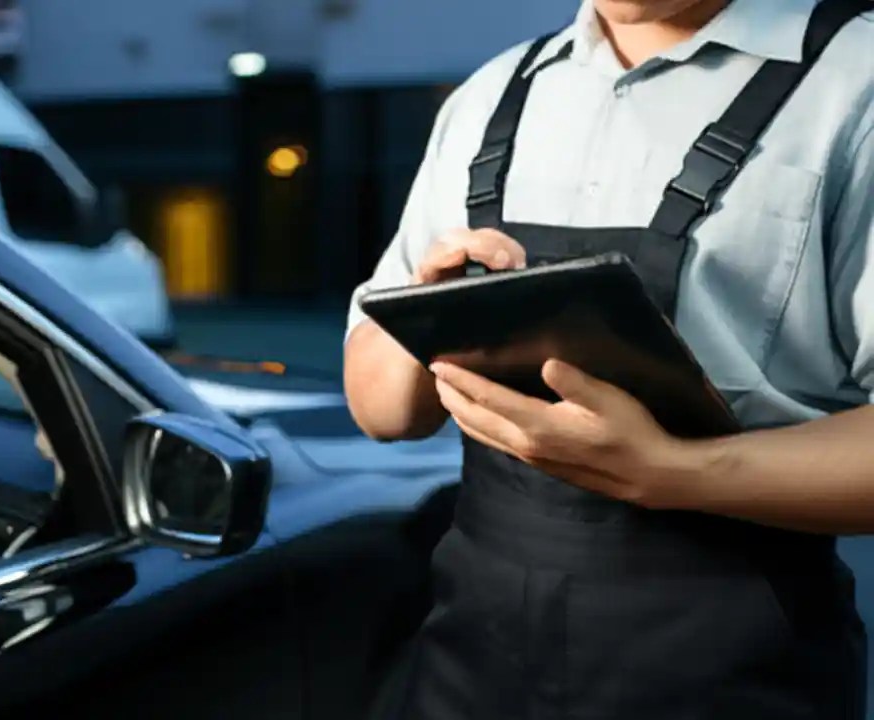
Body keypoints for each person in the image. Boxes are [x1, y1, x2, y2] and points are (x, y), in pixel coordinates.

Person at [343, 0, 874, 717]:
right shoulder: (491, 94)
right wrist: (430, 312)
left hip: (730, 670)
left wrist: (674, 473)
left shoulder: (854, 86)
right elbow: (380, 411)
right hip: (471, 661)